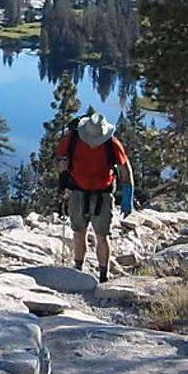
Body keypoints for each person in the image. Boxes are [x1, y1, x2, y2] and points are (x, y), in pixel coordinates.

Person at [55, 111, 133, 282]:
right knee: (79, 233)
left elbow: (125, 168)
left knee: (101, 236)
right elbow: (60, 157)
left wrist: (128, 197)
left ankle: (103, 275)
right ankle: (78, 270)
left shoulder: (111, 143)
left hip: (102, 196)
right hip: (78, 192)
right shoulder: (73, 138)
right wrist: (62, 168)